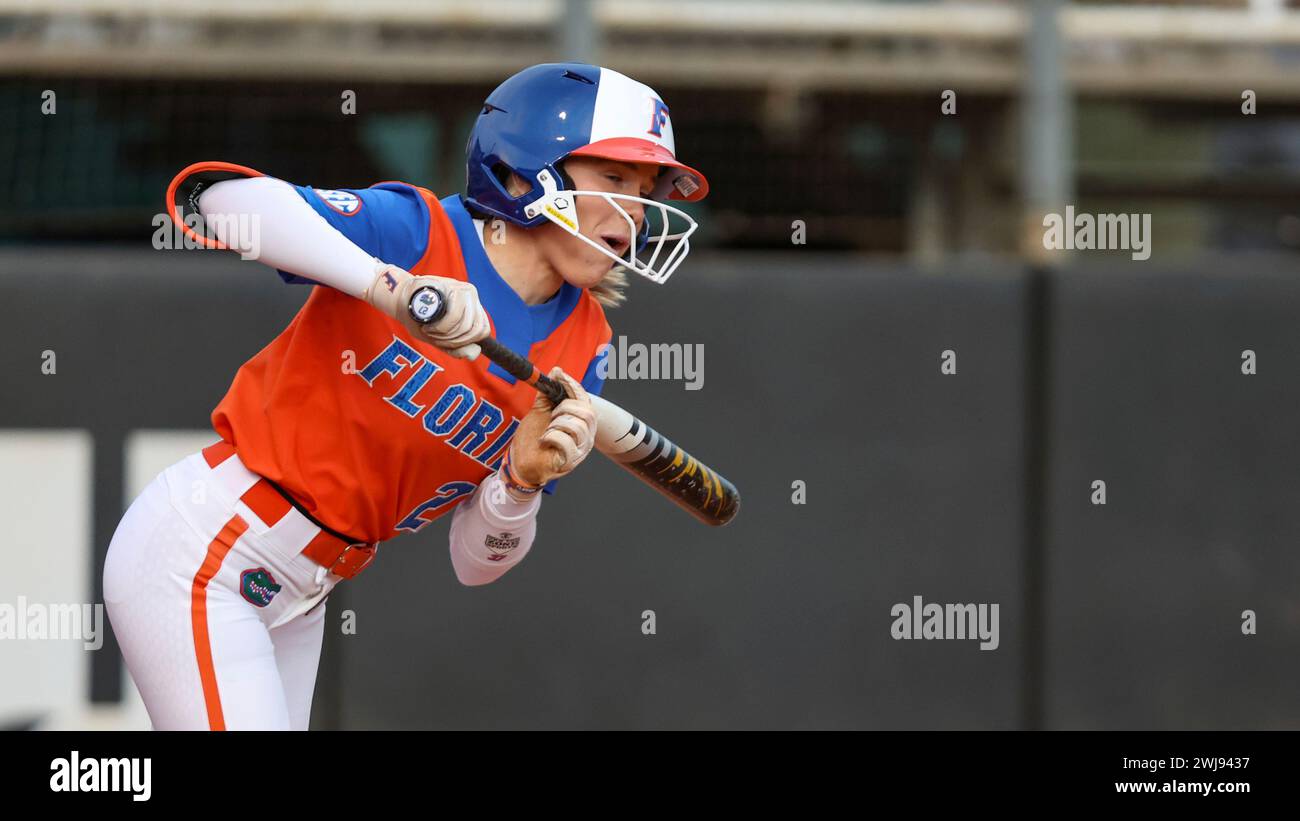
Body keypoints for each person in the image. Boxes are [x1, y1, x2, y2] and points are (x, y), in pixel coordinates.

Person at [102, 62, 710, 730]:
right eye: (616, 179)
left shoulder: (584, 345)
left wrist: (522, 482)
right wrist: (395, 288)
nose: (638, 207)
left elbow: (473, 564)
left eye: (648, 188)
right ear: (525, 170)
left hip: (306, 592)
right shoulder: (422, 232)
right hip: (209, 548)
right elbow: (216, 201)